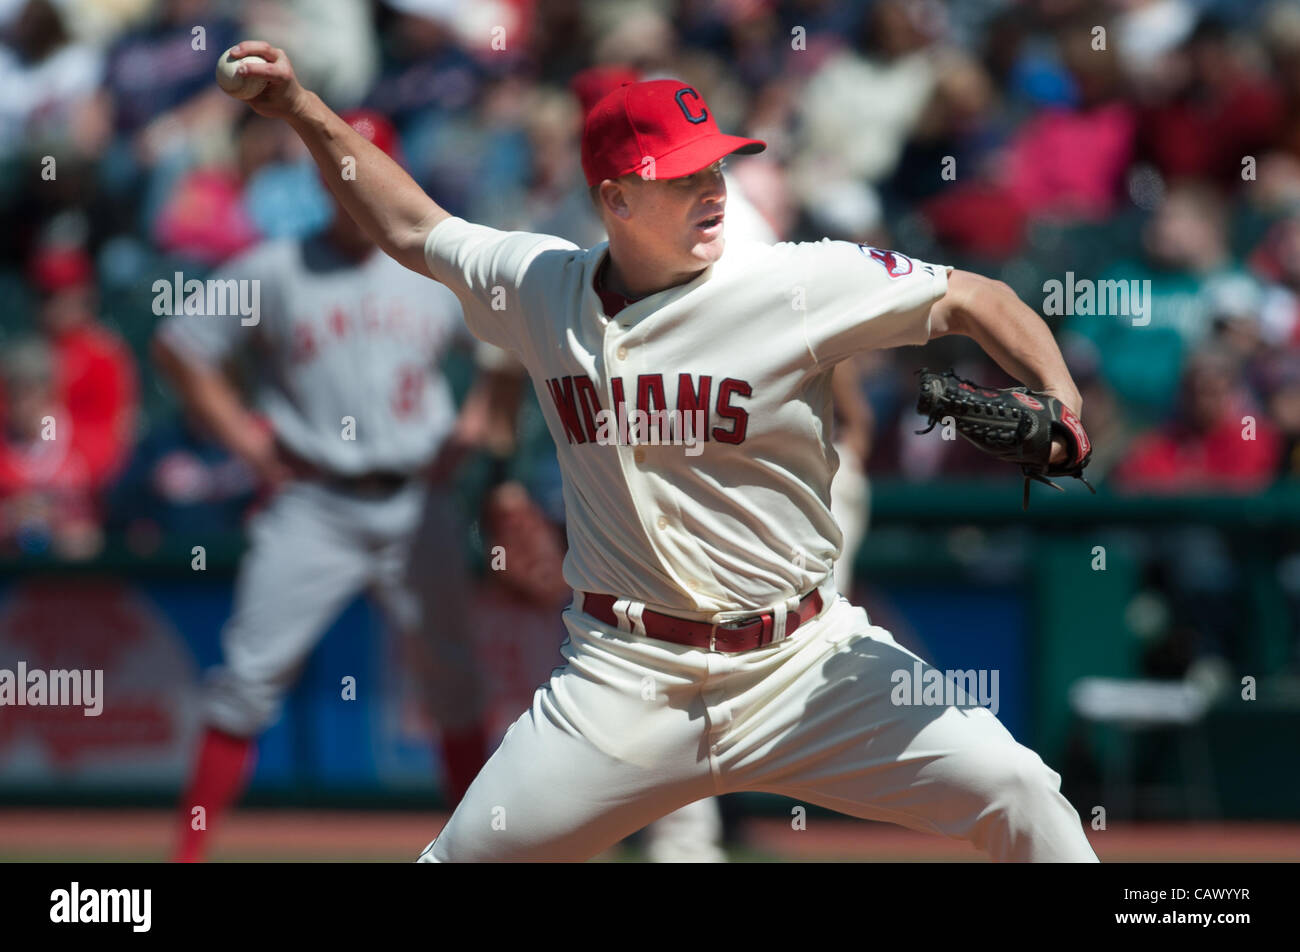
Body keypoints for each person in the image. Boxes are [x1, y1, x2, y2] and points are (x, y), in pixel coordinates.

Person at [227, 42, 1098, 862]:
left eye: (716, 163)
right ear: (616, 199)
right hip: (623, 678)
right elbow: (413, 228)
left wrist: (1059, 396)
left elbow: (970, 296)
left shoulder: (790, 282)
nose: (713, 186)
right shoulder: (540, 284)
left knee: (1020, 789)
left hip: (804, 663)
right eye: (683, 175)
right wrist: (301, 106)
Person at [154, 109, 504, 862]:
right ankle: (187, 856)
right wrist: (245, 441)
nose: (351, 190)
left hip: (418, 503)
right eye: (339, 175)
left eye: (364, 174)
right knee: (246, 679)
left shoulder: (436, 269)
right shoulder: (274, 267)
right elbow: (180, 345)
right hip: (312, 501)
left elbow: (511, 347)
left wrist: (478, 420)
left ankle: (484, 854)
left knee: (454, 687)